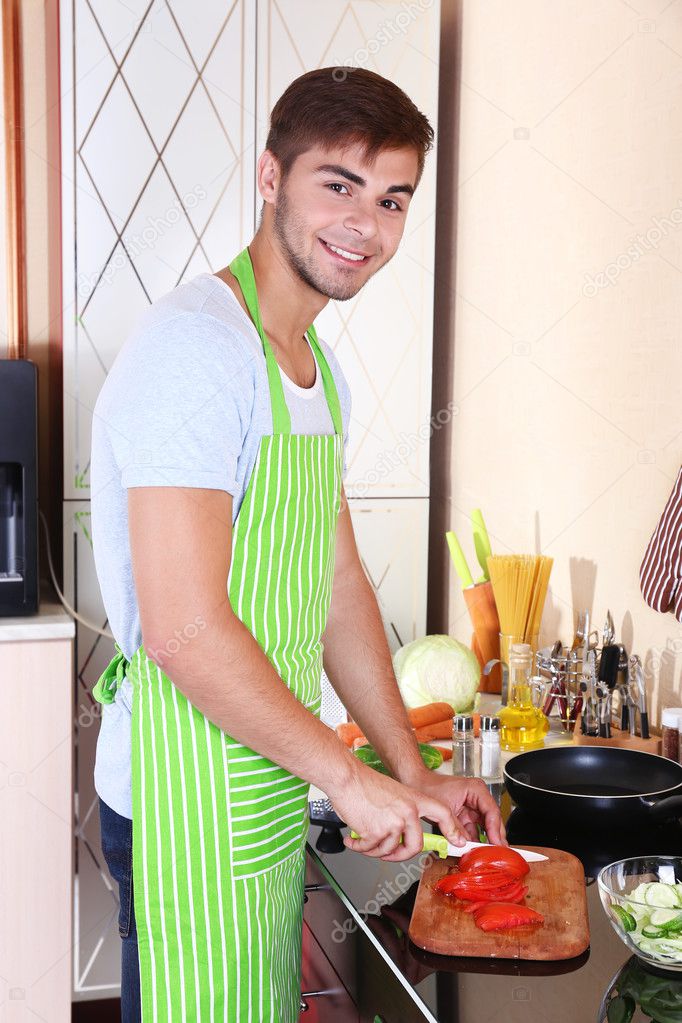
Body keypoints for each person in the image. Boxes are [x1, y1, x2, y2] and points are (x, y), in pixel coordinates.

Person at [90, 66, 506, 1023]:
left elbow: (336, 579)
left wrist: (406, 764)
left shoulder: (316, 371)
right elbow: (184, 631)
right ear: (272, 178)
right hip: (181, 797)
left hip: (266, 780)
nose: (367, 223)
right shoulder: (199, 350)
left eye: (393, 197)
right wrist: (346, 776)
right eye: (339, 184)